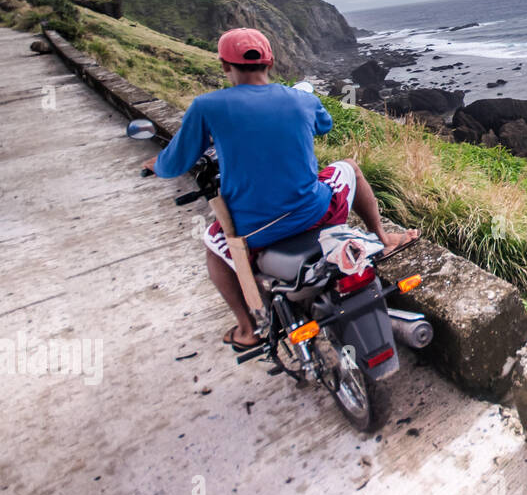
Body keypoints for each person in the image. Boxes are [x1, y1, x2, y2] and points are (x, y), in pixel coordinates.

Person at [142, 28, 418, 350]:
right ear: (270, 61)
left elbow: (173, 164)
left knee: (213, 244)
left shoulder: (207, 107)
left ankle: (247, 329)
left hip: (257, 231)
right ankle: (383, 238)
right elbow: (324, 125)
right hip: (316, 212)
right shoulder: (301, 99)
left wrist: (155, 164)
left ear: (223, 65)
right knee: (350, 168)